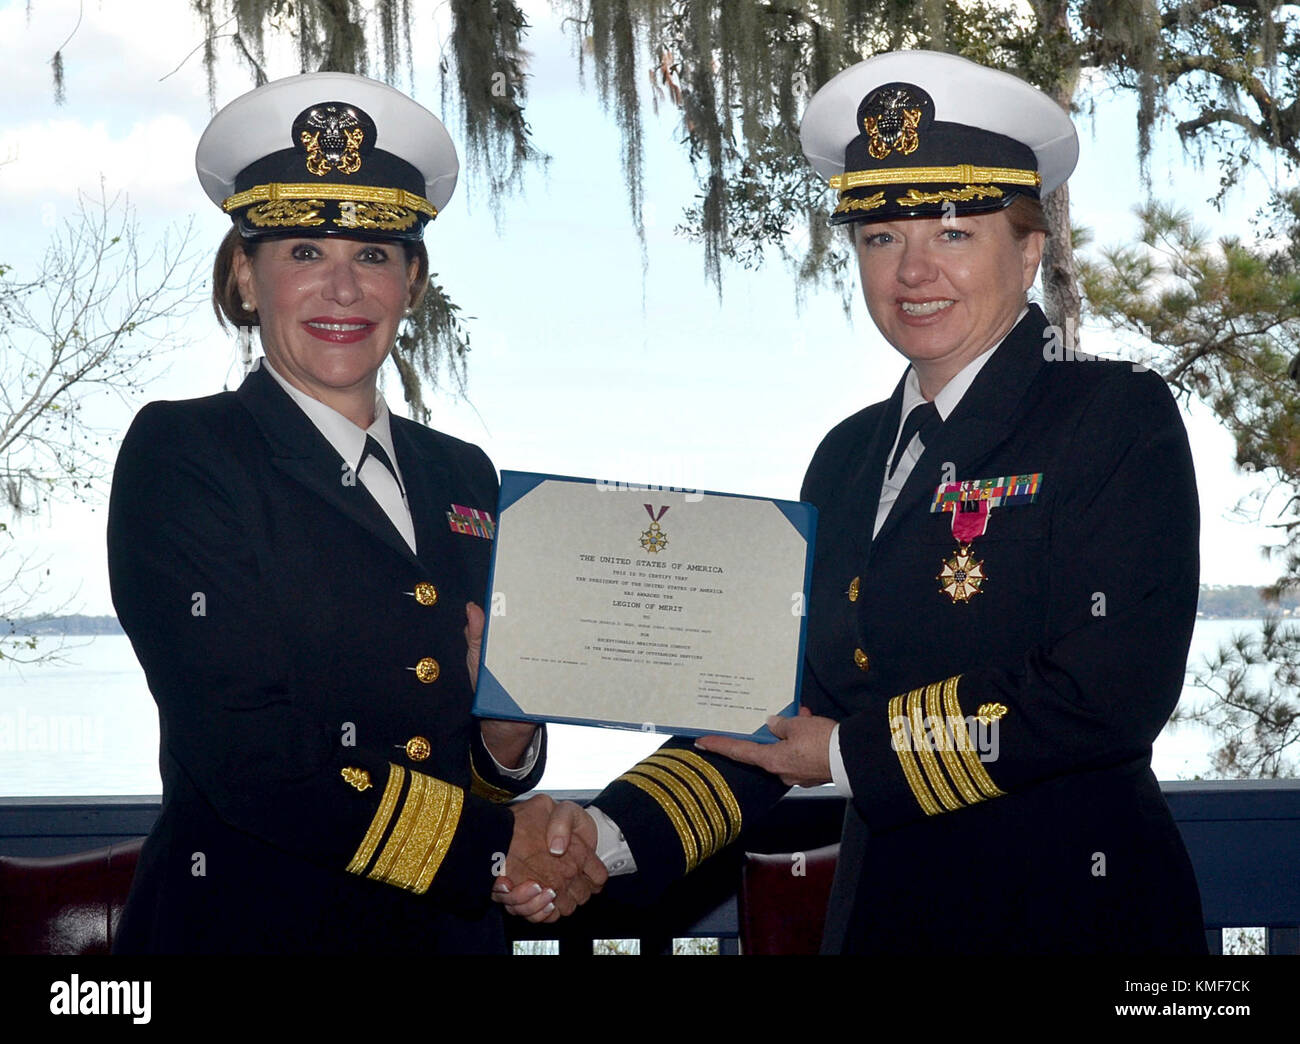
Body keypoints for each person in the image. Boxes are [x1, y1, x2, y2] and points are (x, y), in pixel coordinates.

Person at [501, 50, 1206, 953]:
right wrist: (601, 836)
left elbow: (1107, 693)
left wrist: (847, 756)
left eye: (953, 234)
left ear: (1030, 249)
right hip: (887, 920)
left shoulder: (1113, 416)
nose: (914, 271)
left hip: (1076, 915)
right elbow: (775, 702)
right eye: (881, 239)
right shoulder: (845, 461)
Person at [107, 72, 605, 953]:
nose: (343, 291)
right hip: (251, 929)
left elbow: (464, 759)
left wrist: (508, 734)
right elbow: (245, 757)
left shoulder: (463, 475)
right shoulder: (185, 455)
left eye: (373, 256)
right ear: (245, 278)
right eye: (304, 253)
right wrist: (495, 849)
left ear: (411, 284)